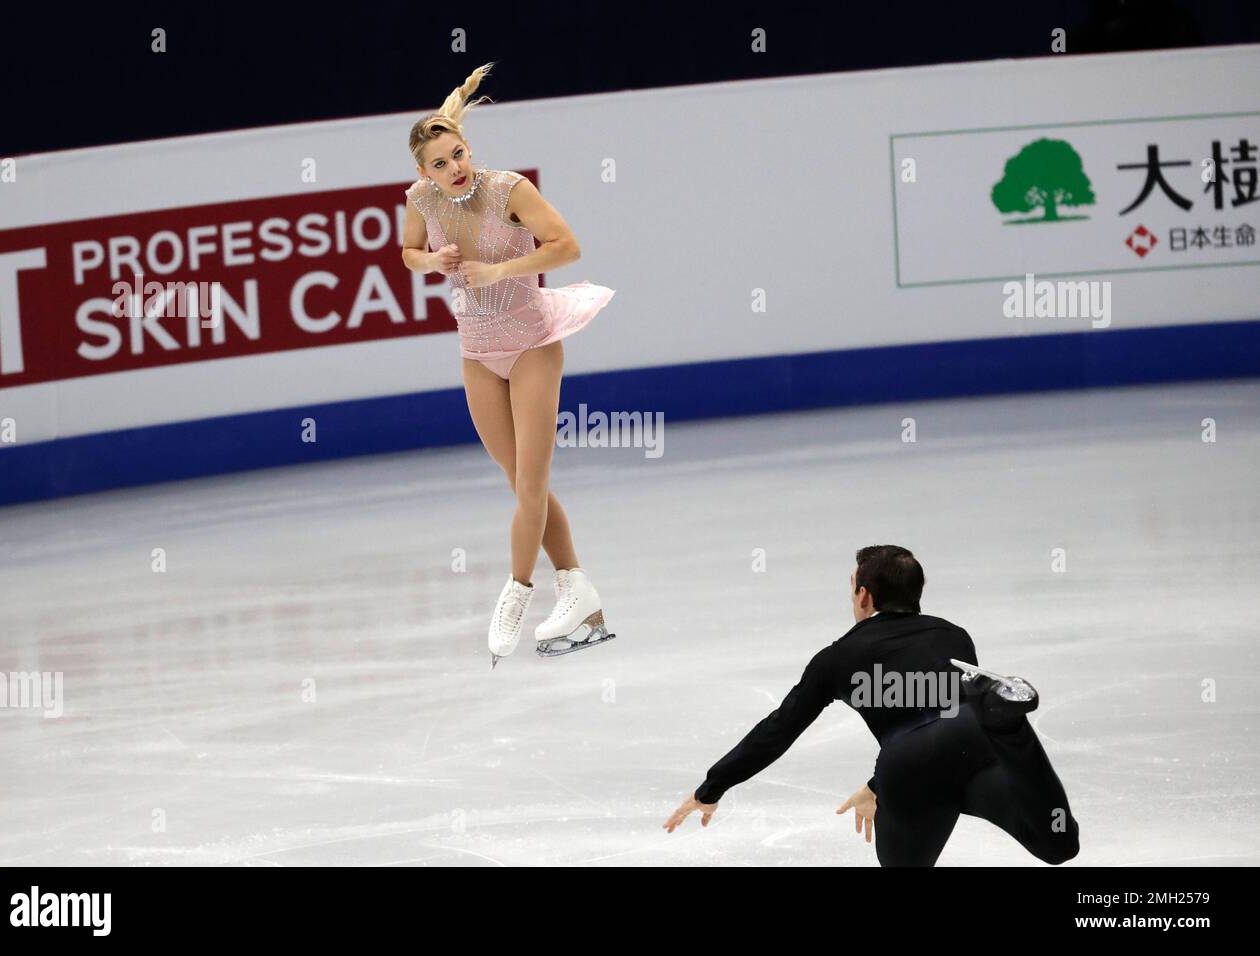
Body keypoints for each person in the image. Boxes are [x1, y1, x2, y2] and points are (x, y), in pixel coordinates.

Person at [663, 545, 1080, 866]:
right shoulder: (955, 638)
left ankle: (999, 722)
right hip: (973, 742)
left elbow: (778, 729)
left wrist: (713, 786)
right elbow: (937, 716)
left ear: (864, 595)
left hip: (907, 763)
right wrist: (874, 787)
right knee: (1057, 844)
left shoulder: (837, 658)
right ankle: (1009, 726)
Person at [401, 63, 616, 668]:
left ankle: (517, 591)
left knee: (530, 484)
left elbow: (568, 246)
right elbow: (407, 253)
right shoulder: (421, 200)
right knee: (523, 483)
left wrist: (500, 270)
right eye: (440, 163)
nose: (454, 168)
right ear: (424, 173)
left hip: (531, 344)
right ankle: (576, 587)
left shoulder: (508, 189)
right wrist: (432, 260)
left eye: (458, 153)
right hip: (476, 352)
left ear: (469, 148)